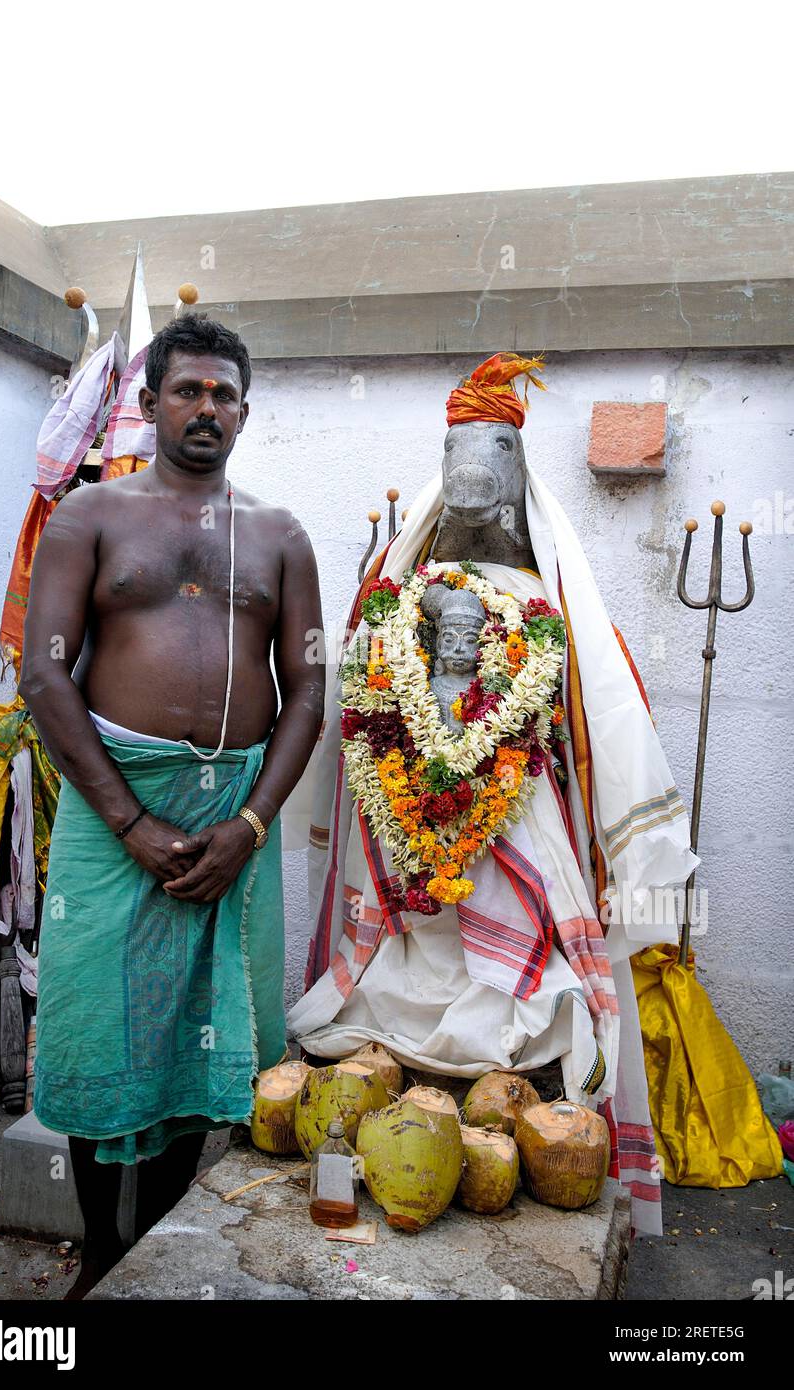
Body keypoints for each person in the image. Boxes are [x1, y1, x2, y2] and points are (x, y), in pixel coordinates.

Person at [287, 354, 698, 1237]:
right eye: (460, 448)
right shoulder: (399, 595)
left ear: (518, 467)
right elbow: (360, 699)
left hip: (516, 809)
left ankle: (510, 1076)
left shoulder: (552, 602)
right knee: (398, 931)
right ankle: (392, 1074)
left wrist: (500, 729)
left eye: (495, 446)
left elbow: (589, 716)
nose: (474, 465)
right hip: (404, 814)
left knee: (519, 939)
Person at [21, 315, 324, 1297]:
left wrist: (251, 824)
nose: (207, 409)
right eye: (187, 390)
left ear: (246, 412)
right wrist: (133, 822)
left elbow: (310, 689)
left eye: (224, 394)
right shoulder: (90, 518)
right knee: (103, 1032)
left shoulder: (280, 536)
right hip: (116, 817)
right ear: (147, 404)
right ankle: (101, 1255)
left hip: (237, 814)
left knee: (207, 1046)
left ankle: (149, 1251)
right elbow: (45, 677)